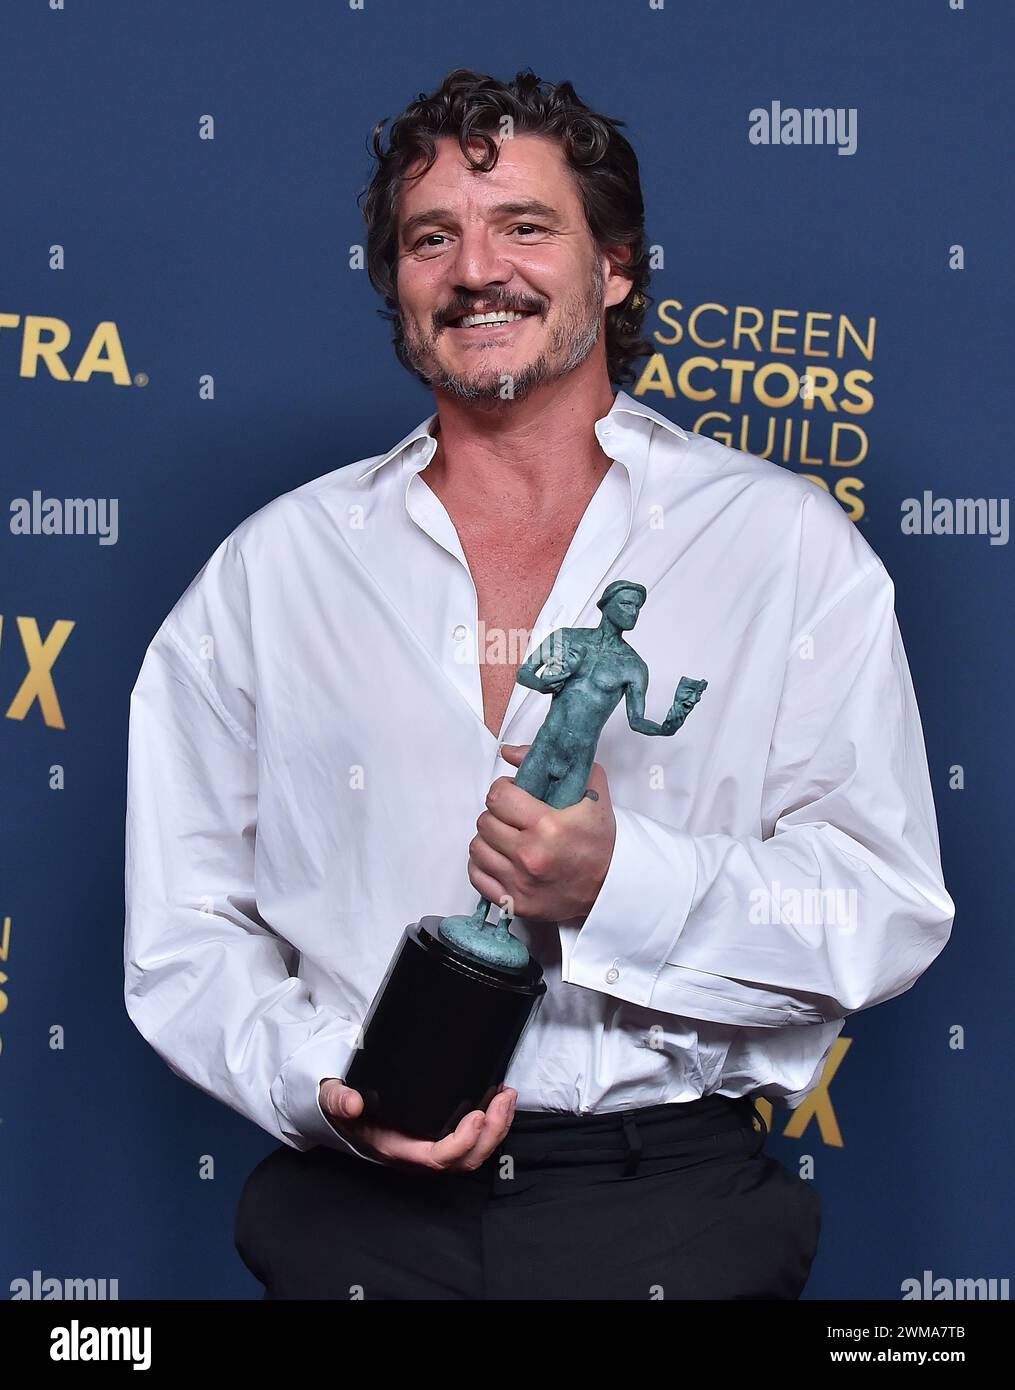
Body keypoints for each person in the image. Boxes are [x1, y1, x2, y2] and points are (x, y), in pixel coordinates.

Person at [123, 67, 954, 1300]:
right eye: (430, 238)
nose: (475, 270)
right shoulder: (271, 571)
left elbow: (882, 905)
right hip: (355, 1221)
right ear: (397, 286)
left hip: (670, 1216)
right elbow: (185, 931)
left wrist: (621, 884)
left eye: (523, 225)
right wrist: (332, 1086)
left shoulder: (782, 547)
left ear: (614, 266)